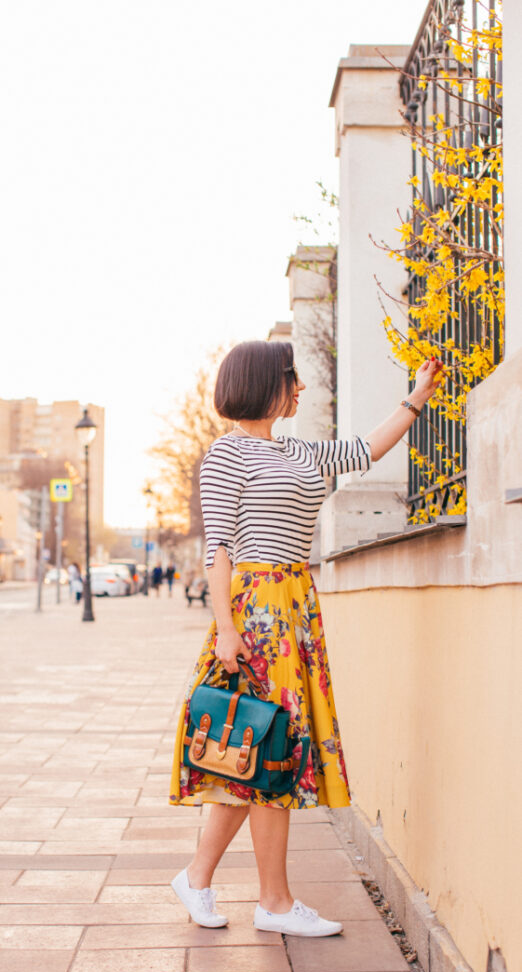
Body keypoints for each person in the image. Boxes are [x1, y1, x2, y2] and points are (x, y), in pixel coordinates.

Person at [169, 339, 442, 937]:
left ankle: (203, 880)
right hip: (257, 610)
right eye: (292, 378)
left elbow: (365, 449)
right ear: (266, 383)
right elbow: (218, 548)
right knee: (269, 752)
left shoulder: (300, 450)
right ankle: (273, 901)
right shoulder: (227, 455)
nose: (301, 387)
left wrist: (416, 398)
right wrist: (225, 631)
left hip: (296, 606)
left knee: (260, 753)